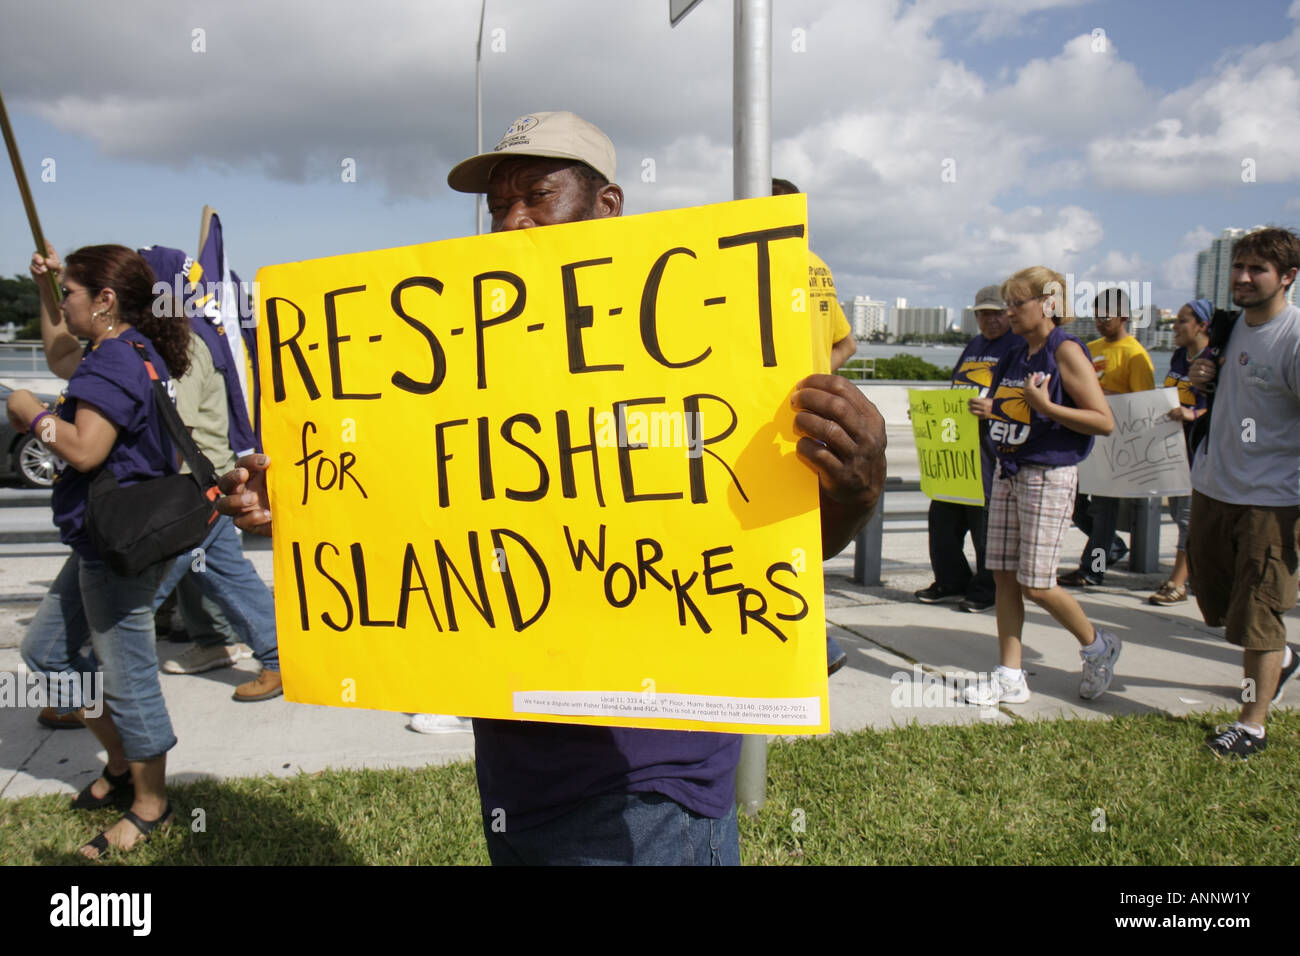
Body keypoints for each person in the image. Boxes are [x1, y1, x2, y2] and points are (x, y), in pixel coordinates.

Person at [218, 111, 887, 864]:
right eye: (498, 206)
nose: (511, 223)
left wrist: (858, 491)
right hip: (520, 753)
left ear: (607, 207)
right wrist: (306, 506)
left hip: (648, 776)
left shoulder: (695, 351)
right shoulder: (473, 365)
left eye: (536, 196)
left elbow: (766, 544)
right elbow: (418, 505)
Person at [9, 242, 189, 858]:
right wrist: (46, 287)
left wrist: (31, 414)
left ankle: (150, 805)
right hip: (103, 537)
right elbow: (62, 351)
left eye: (72, 295)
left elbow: (84, 449)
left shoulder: (113, 359)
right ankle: (120, 761)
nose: (65, 306)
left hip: (117, 545)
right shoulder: (126, 349)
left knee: (128, 672)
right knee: (47, 654)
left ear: (105, 300)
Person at [964, 266, 1119, 706]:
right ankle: (1009, 674)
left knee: (1036, 582)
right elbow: (1015, 408)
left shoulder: (1065, 350)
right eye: (1007, 303)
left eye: (1018, 303)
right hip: (1010, 472)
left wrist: (1047, 405)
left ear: (1048, 305)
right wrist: (991, 408)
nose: (1009, 312)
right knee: (1004, 576)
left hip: (1047, 475)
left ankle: (1097, 645)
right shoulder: (1017, 353)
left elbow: (1103, 421)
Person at [135, 246, 283, 701]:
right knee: (214, 572)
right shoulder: (196, 334)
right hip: (205, 482)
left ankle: (88, 679)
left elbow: (178, 422)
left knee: (138, 595)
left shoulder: (186, 343)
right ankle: (226, 646)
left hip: (191, 486)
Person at [1186, 227, 1300, 758]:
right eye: (1239, 267)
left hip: (1271, 499)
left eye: (1258, 270)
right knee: (1218, 605)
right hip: (1213, 487)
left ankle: (1251, 724)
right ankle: (1284, 658)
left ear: (1288, 277)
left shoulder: (1293, 338)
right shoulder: (1230, 328)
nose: (1244, 278)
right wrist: (1204, 375)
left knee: (1258, 611)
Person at [772, 176, 858, 672]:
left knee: (771, 523)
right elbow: (847, 344)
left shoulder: (762, 264)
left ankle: (810, 640)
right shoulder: (817, 266)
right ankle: (816, 638)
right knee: (801, 525)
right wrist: (818, 374)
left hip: (773, 418)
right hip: (815, 412)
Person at [914, 284, 1020, 613]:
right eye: (983, 314)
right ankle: (951, 580)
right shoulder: (974, 345)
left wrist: (996, 408)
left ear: (1010, 314)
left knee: (984, 523)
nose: (989, 320)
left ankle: (987, 588)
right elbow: (955, 388)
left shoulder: (1017, 346)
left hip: (990, 450)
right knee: (943, 519)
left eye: (996, 313)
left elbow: (1025, 398)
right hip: (955, 449)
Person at [1058, 287, 1155, 587]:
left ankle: (1093, 568)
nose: (1100, 321)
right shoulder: (1091, 347)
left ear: (1123, 316)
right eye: (1097, 315)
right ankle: (1111, 545)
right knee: (1072, 503)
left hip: (1115, 443)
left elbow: (1144, 403)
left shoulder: (1135, 354)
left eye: (1107, 316)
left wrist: (1110, 397)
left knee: (1103, 510)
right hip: (1085, 439)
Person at [1148, 298, 1211, 606]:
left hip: (1198, 450)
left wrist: (1193, 415)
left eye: (1183, 321)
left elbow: (1226, 406)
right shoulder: (1177, 357)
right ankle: (1197, 575)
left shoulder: (1214, 360)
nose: (1175, 326)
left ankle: (1178, 582)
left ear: (1202, 325)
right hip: (1173, 448)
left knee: (1187, 516)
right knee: (1179, 513)